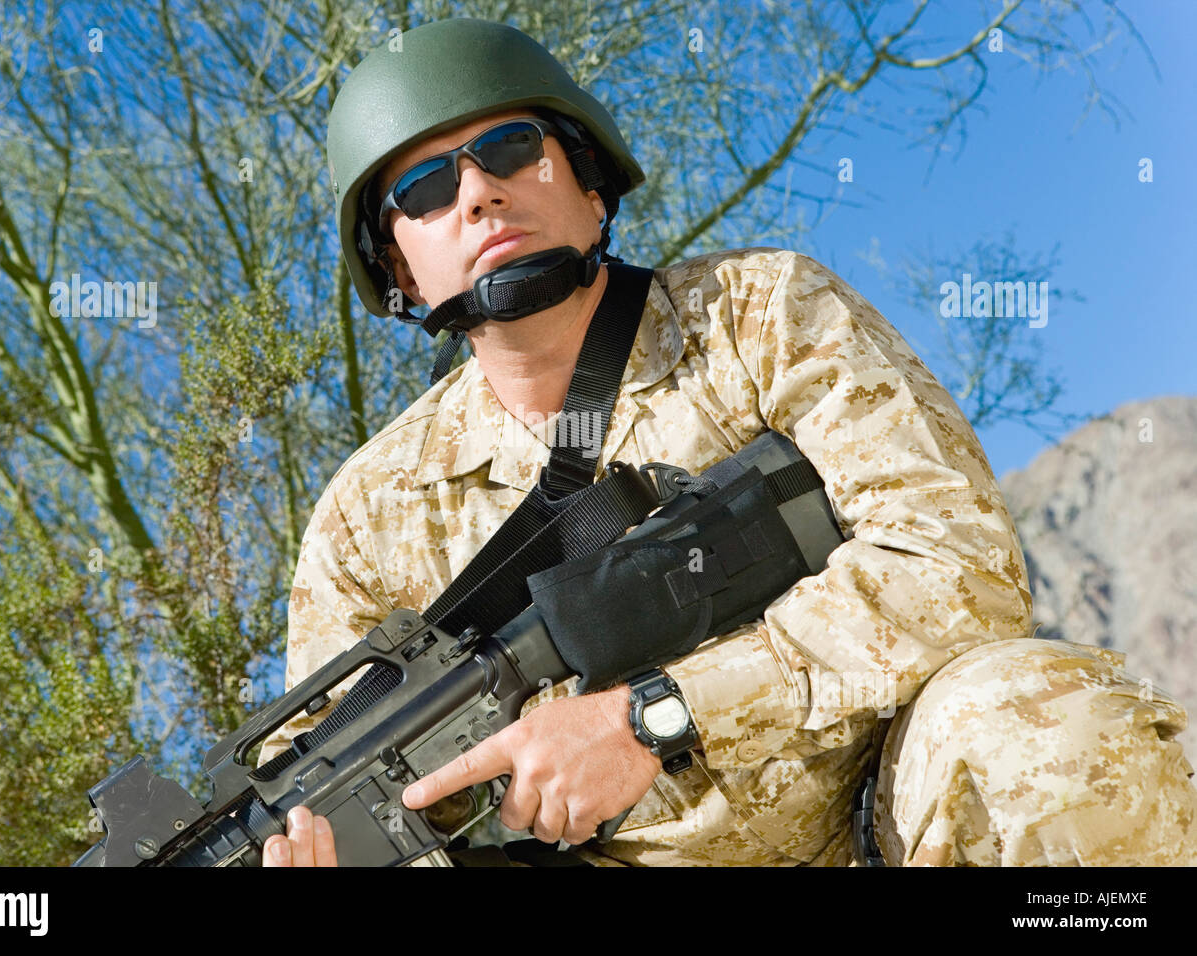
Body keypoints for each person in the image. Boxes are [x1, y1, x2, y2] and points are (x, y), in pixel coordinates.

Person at [260, 17, 1196, 867]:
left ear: (590, 182)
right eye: (424, 187)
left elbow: (960, 565)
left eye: (510, 147)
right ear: (397, 271)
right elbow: (331, 790)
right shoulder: (368, 516)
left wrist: (655, 716)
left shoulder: (764, 316)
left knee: (1038, 722)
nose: (477, 192)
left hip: (879, 829)